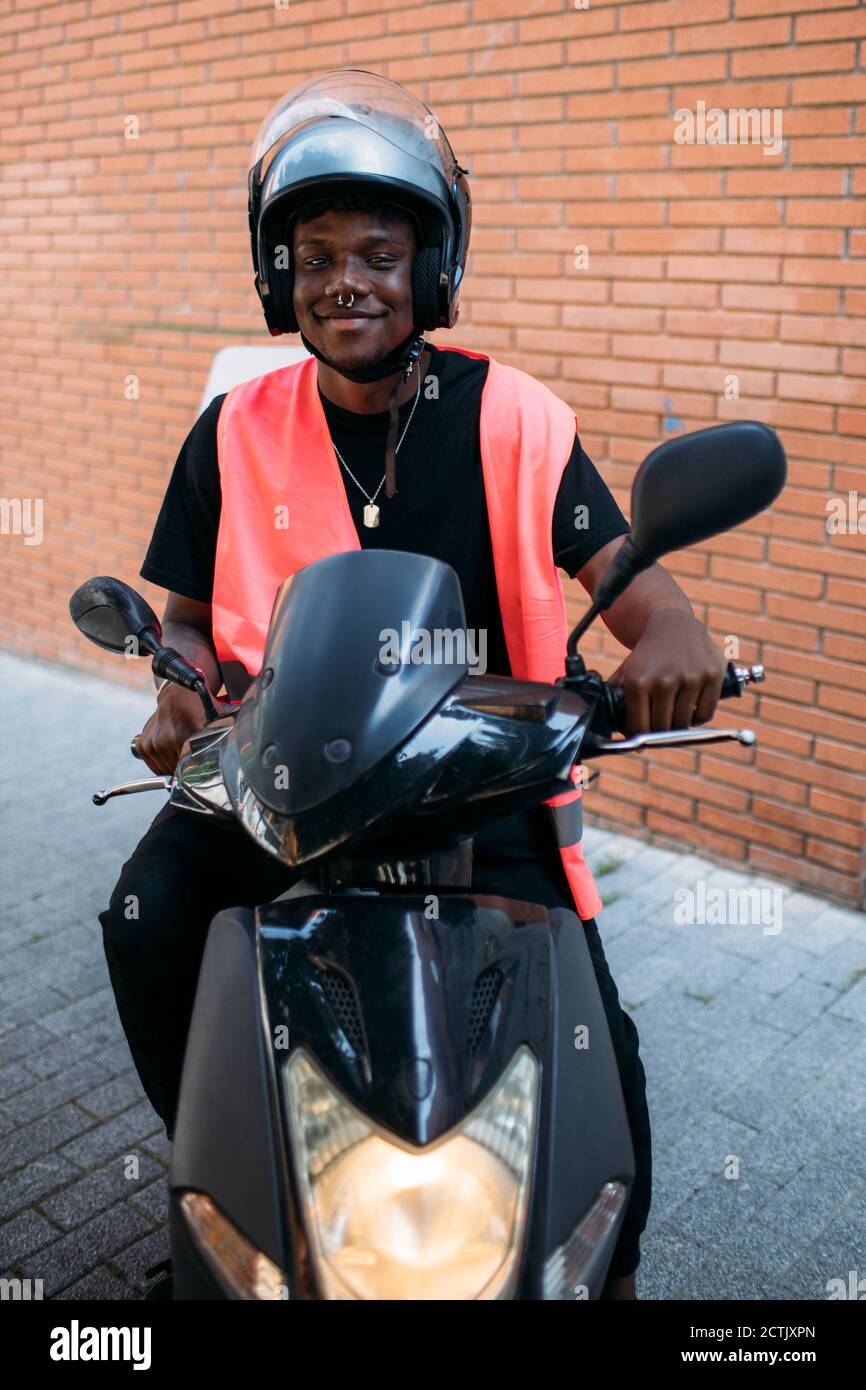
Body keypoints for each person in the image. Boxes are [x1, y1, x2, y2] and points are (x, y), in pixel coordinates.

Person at [99, 70, 726, 1301]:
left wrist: (669, 638)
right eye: (316, 253)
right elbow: (184, 619)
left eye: (378, 254)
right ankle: (232, 1165)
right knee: (144, 916)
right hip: (277, 781)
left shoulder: (512, 418)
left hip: (476, 786)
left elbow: (634, 583)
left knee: (613, 1124)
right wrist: (181, 698)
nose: (346, 280)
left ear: (429, 272)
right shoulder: (231, 428)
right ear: (279, 277)